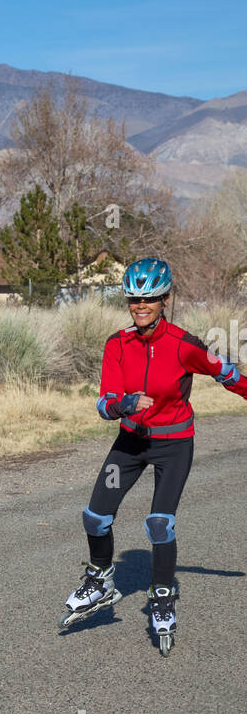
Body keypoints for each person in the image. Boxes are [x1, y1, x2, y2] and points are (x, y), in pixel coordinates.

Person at [61, 257, 247, 650]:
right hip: (130, 442)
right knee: (95, 516)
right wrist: (122, 405)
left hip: (174, 446)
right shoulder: (117, 344)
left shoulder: (185, 345)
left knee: (159, 523)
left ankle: (162, 597)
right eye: (134, 299)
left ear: (165, 299)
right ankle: (100, 579)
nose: (140, 306)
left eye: (150, 299)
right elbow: (103, 402)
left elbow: (228, 375)